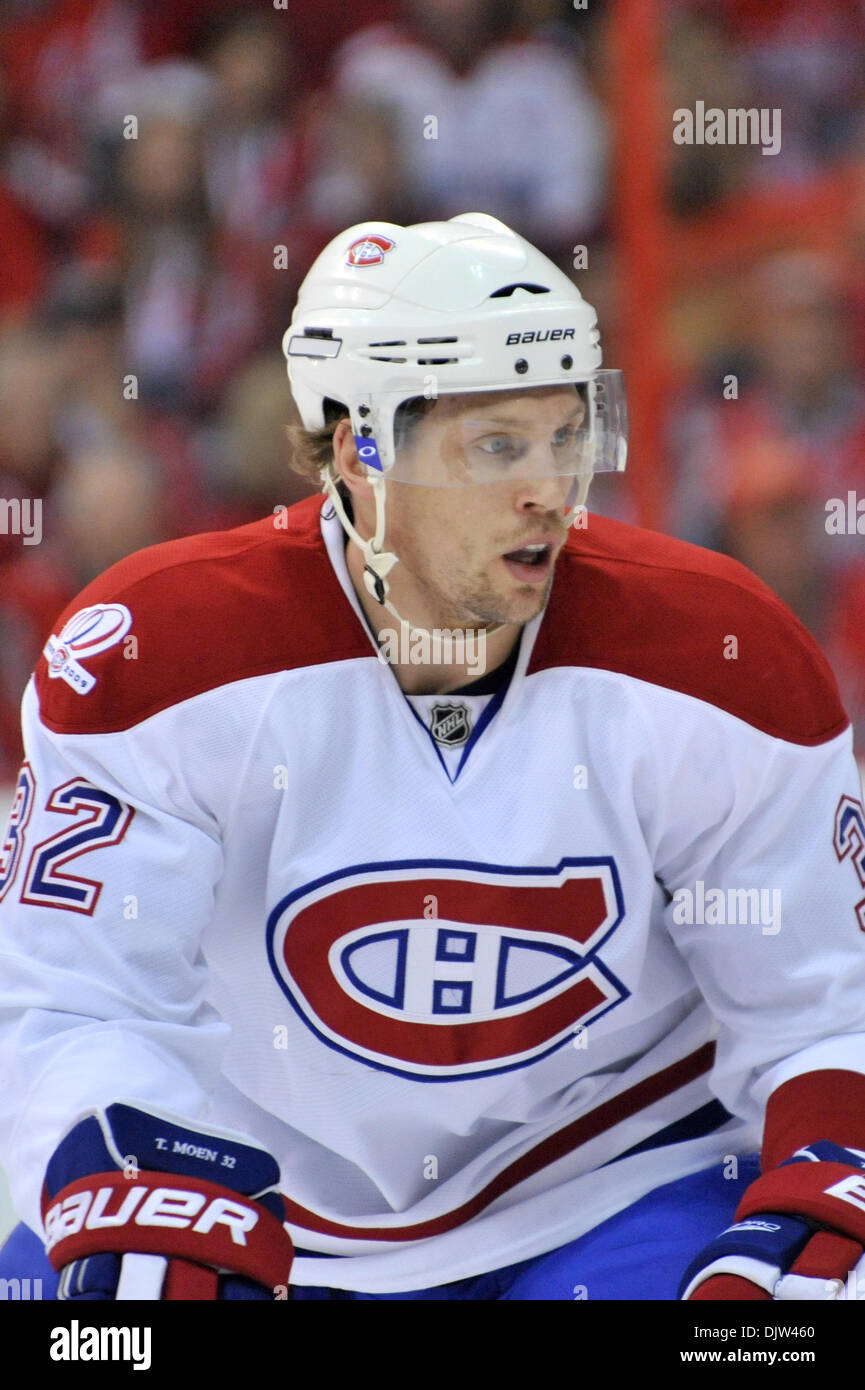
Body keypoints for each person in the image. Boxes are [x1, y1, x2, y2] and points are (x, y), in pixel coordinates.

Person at [0, 212, 864, 1302]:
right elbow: (77, 1001)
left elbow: (826, 1012)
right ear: (357, 445)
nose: (551, 487)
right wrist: (121, 1173)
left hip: (610, 1186)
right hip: (262, 1210)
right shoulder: (155, 659)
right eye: (498, 445)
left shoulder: (719, 658)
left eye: (567, 434)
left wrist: (830, 1180)